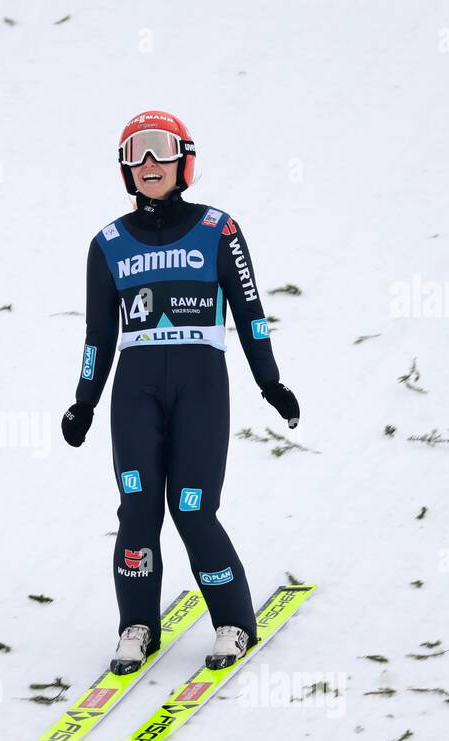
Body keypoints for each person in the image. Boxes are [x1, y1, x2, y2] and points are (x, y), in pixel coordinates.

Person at [61, 110, 300, 676]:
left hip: (201, 388)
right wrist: (84, 403)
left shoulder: (219, 229)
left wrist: (270, 381)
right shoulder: (108, 243)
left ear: (182, 160)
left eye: (159, 150)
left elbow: (250, 314)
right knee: (137, 512)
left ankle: (233, 621)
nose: (148, 163)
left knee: (192, 509)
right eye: (135, 152)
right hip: (134, 392)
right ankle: (137, 624)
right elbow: (99, 335)